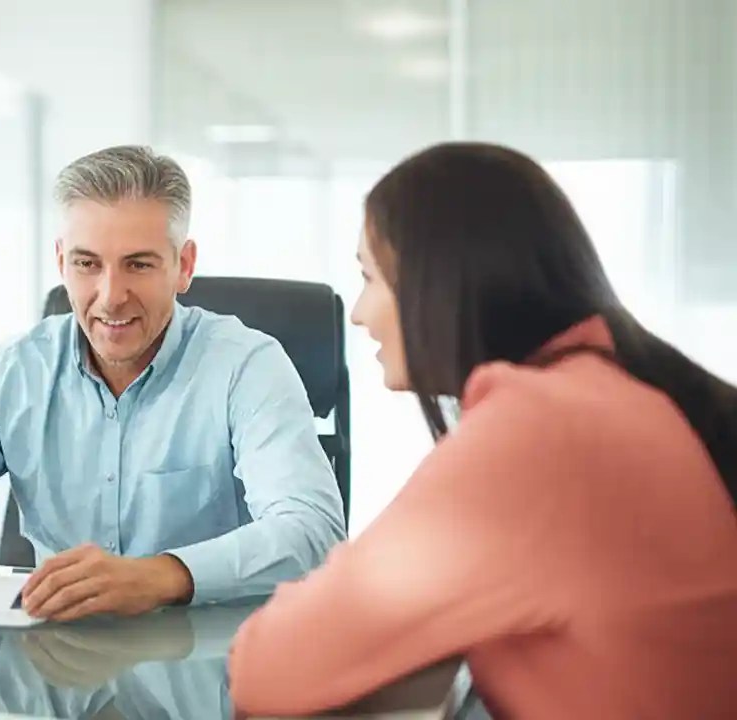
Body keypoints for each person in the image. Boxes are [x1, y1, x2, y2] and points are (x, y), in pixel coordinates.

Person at [229, 142, 737, 719]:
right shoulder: (606, 393)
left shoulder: (540, 430)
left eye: (370, 278)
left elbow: (270, 667)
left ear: (437, 282)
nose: (358, 313)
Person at [0, 145, 345, 621]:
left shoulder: (246, 366)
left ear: (183, 266)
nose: (110, 295)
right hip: (57, 662)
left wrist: (158, 576)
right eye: (87, 264)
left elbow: (312, 531)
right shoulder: (15, 371)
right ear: (61, 262)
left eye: (138, 265)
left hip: (204, 664)